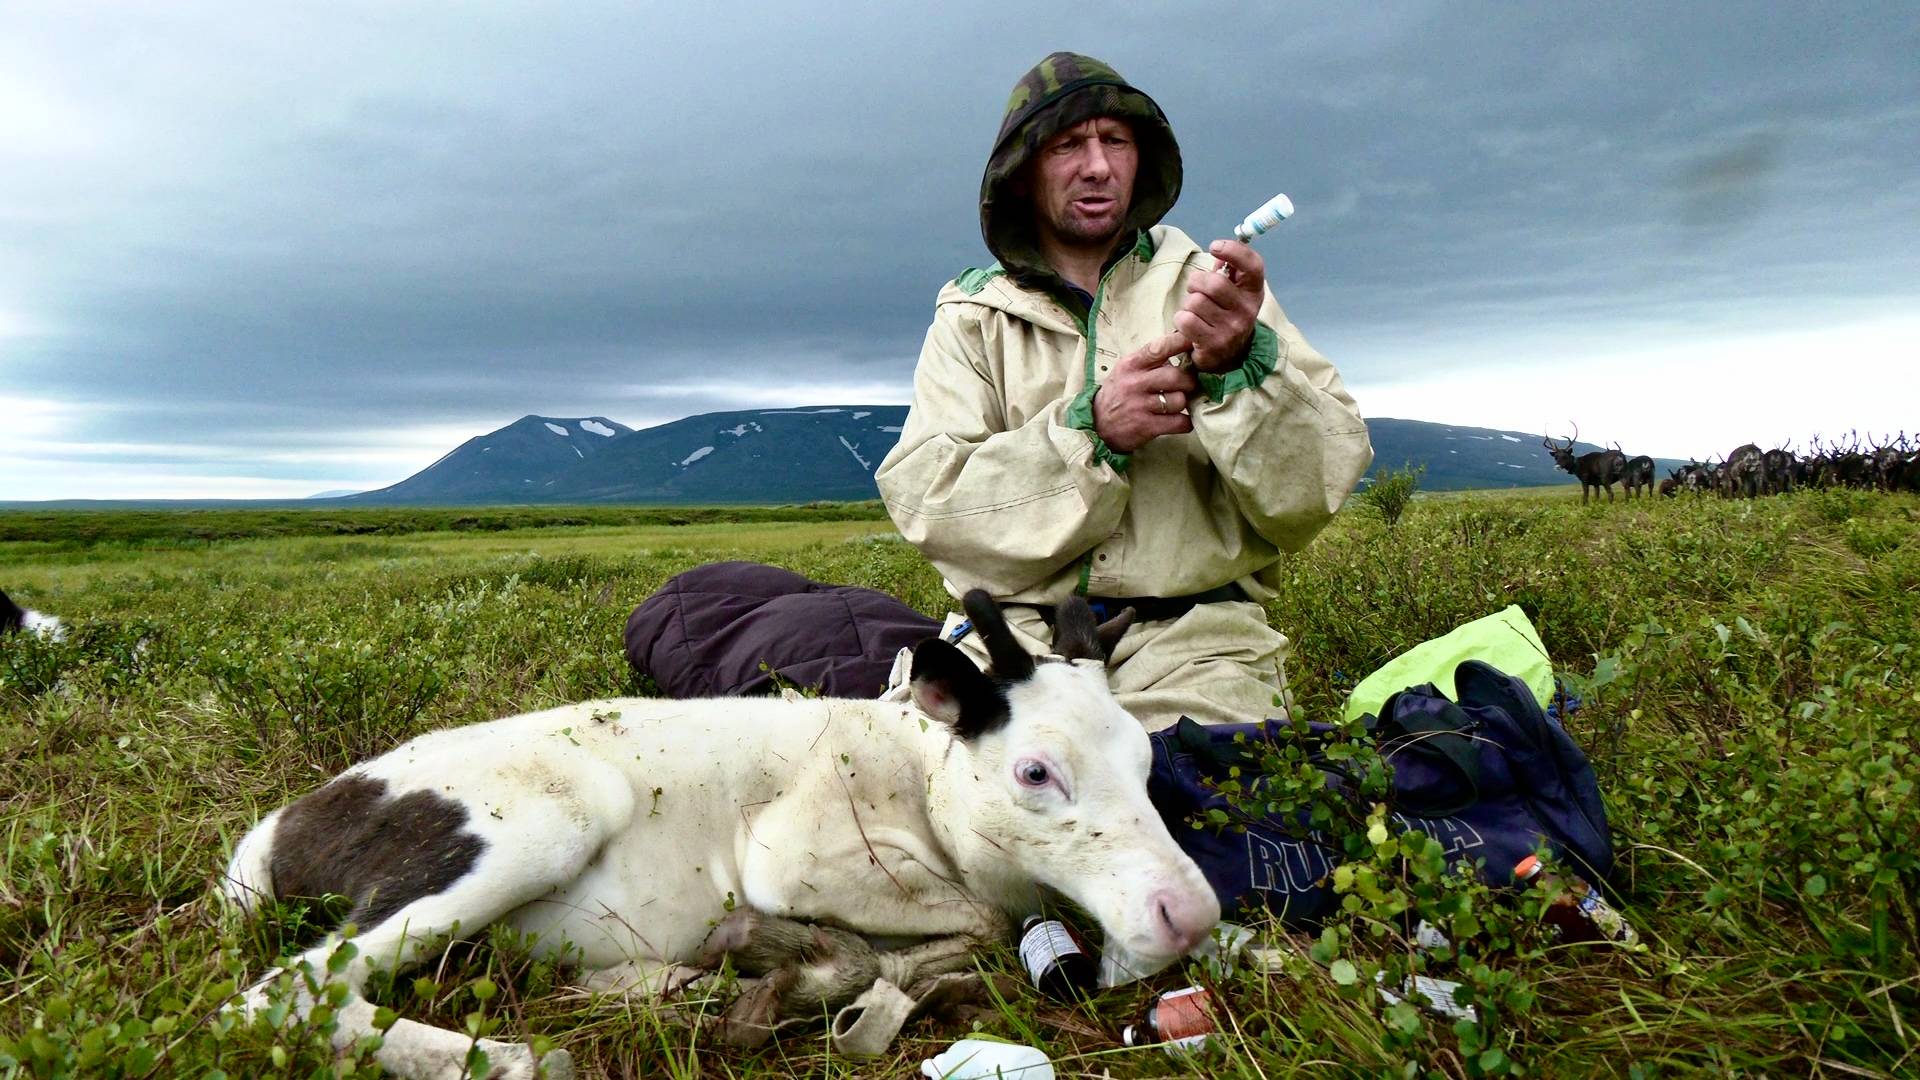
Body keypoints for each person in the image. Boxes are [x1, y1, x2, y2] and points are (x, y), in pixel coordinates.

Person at [874, 52, 1373, 730]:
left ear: (1142, 160)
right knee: (913, 779)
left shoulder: (1212, 293)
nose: (1097, 166)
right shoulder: (972, 319)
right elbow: (931, 506)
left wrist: (1239, 368)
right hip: (1012, 643)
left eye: (1116, 141)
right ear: (1022, 172)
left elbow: (1312, 495)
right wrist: (1093, 431)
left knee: (1183, 782)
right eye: (1067, 145)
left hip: (1195, 646)